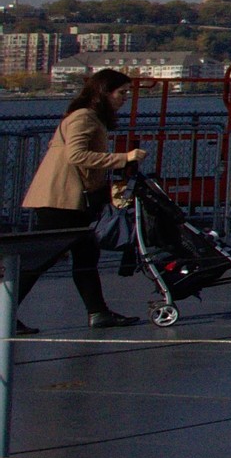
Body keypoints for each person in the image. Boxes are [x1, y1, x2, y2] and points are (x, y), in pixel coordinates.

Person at [15, 69, 145, 333]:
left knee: (86, 256)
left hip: (73, 200)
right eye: (121, 93)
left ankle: (98, 312)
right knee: (41, 260)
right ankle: (5, 311)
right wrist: (124, 157)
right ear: (104, 92)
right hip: (60, 200)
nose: (125, 98)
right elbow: (77, 155)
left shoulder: (89, 116)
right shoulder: (84, 117)